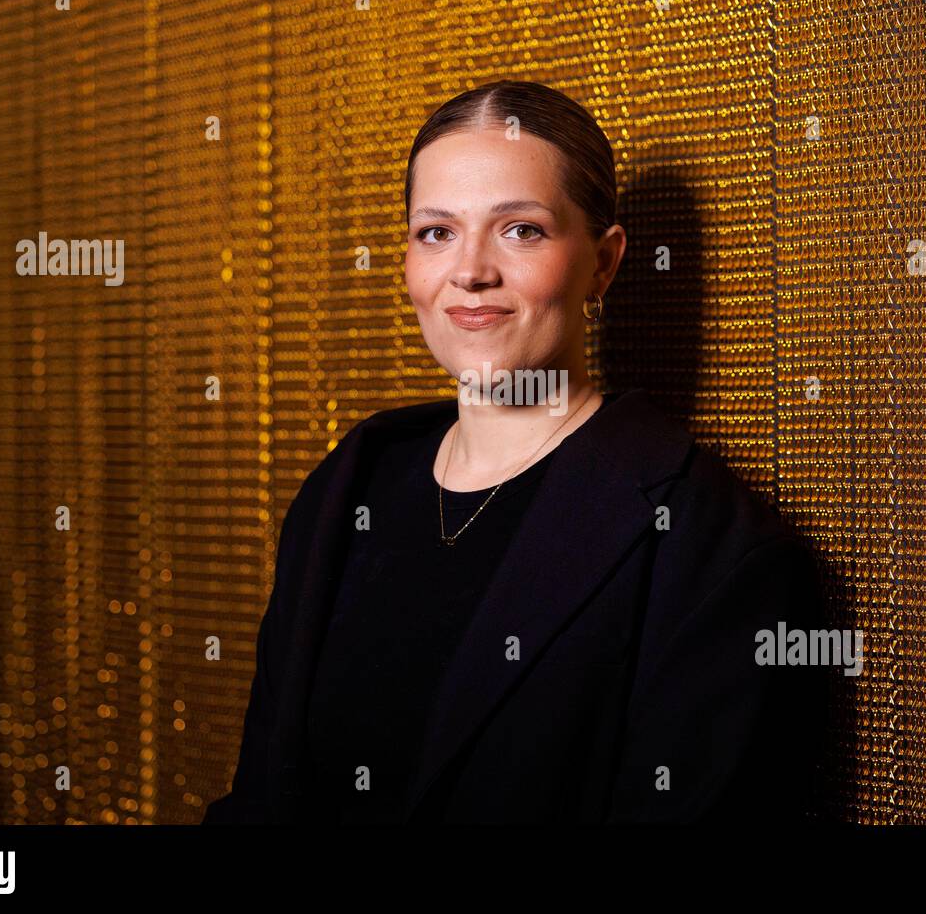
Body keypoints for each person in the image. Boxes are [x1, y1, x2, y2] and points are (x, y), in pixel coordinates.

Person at [203, 79, 826, 824]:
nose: (470, 271)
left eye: (520, 229)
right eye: (436, 231)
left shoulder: (706, 541)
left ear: (603, 263)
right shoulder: (350, 489)